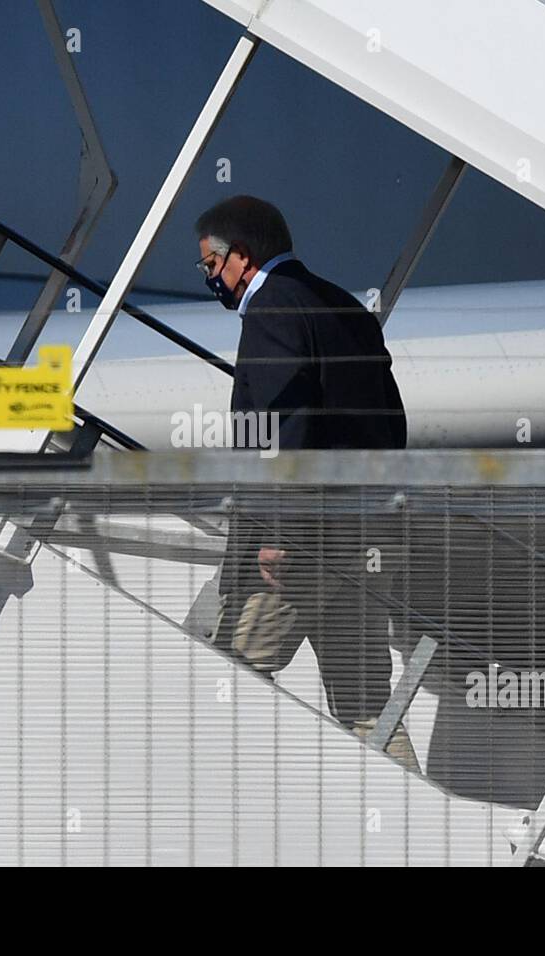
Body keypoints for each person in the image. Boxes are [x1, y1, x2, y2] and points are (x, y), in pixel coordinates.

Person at [194, 195, 418, 770]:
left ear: (240, 257)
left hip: (304, 546)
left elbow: (281, 432)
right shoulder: (343, 306)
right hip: (369, 536)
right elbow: (392, 423)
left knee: (231, 675)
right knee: (367, 703)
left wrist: (280, 532)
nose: (210, 280)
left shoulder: (272, 309)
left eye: (210, 266)